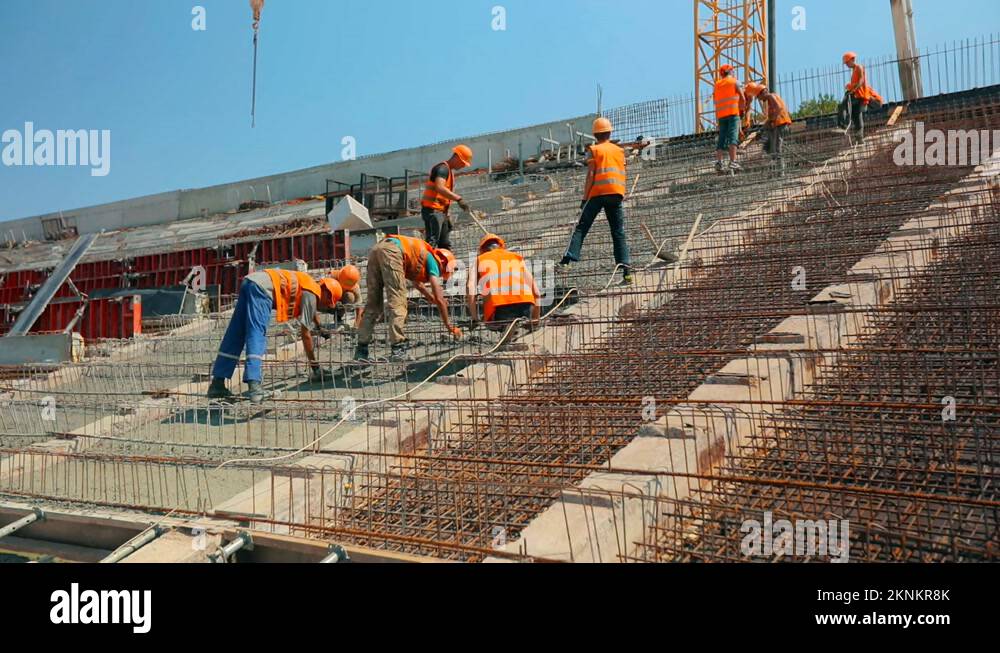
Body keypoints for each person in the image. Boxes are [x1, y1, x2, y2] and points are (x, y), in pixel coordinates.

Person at [207, 268, 342, 403]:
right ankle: (254, 387)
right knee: (257, 332)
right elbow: (305, 333)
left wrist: (319, 327)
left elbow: (311, 312)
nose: (325, 307)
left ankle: (217, 383)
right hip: (262, 289)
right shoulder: (312, 294)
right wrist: (315, 367)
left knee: (236, 332)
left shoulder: (310, 285)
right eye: (328, 305)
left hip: (250, 281)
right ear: (328, 294)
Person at [354, 234, 461, 362]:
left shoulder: (420, 257)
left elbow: (417, 284)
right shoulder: (433, 261)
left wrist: (429, 297)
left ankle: (361, 350)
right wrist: (449, 325)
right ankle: (397, 349)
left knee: (373, 305)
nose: (441, 274)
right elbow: (440, 298)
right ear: (444, 262)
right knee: (398, 302)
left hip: (376, 250)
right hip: (392, 252)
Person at [559, 117, 634, 284]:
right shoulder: (619, 150)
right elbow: (622, 172)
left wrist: (585, 198)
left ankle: (567, 260)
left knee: (581, 228)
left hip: (597, 194)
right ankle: (626, 271)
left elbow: (591, 175)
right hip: (616, 194)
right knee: (618, 232)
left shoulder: (594, 150)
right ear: (610, 132)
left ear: (595, 134)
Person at [467, 233, 540, 330]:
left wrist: (475, 319)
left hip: (499, 310)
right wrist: (535, 320)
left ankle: (506, 327)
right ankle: (515, 326)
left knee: (492, 323)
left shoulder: (479, 260)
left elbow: (469, 288)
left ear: (482, 250)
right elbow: (536, 292)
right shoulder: (516, 257)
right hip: (526, 307)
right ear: (501, 247)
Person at [421, 144, 474, 250]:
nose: (463, 166)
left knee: (444, 244)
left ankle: (445, 265)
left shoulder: (449, 171)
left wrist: (447, 215)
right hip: (432, 211)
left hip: (440, 212)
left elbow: (444, 197)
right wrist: (459, 199)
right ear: (457, 157)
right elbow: (439, 188)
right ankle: (425, 265)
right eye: (463, 163)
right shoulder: (442, 169)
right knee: (432, 243)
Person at [745, 82, 793, 166]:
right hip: (780, 125)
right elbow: (772, 116)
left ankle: (781, 172)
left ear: (762, 93)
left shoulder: (771, 96)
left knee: (778, 150)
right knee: (774, 149)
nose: (759, 99)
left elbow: (778, 108)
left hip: (781, 124)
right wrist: (763, 127)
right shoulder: (771, 100)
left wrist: (772, 120)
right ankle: (777, 170)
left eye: (758, 96)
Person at [842, 52, 883, 143]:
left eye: (847, 63)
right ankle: (859, 137)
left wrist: (854, 89)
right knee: (856, 115)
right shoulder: (854, 72)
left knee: (855, 112)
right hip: (858, 97)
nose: (847, 65)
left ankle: (844, 123)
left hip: (863, 97)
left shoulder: (859, 67)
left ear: (852, 60)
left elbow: (861, 80)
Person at [714, 64, 747, 173]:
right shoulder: (734, 82)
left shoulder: (717, 85)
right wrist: (743, 111)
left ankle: (719, 162)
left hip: (721, 116)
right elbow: (742, 98)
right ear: (731, 72)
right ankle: (733, 161)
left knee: (721, 139)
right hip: (733, 114)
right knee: (733, 137)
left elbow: (716, 102)